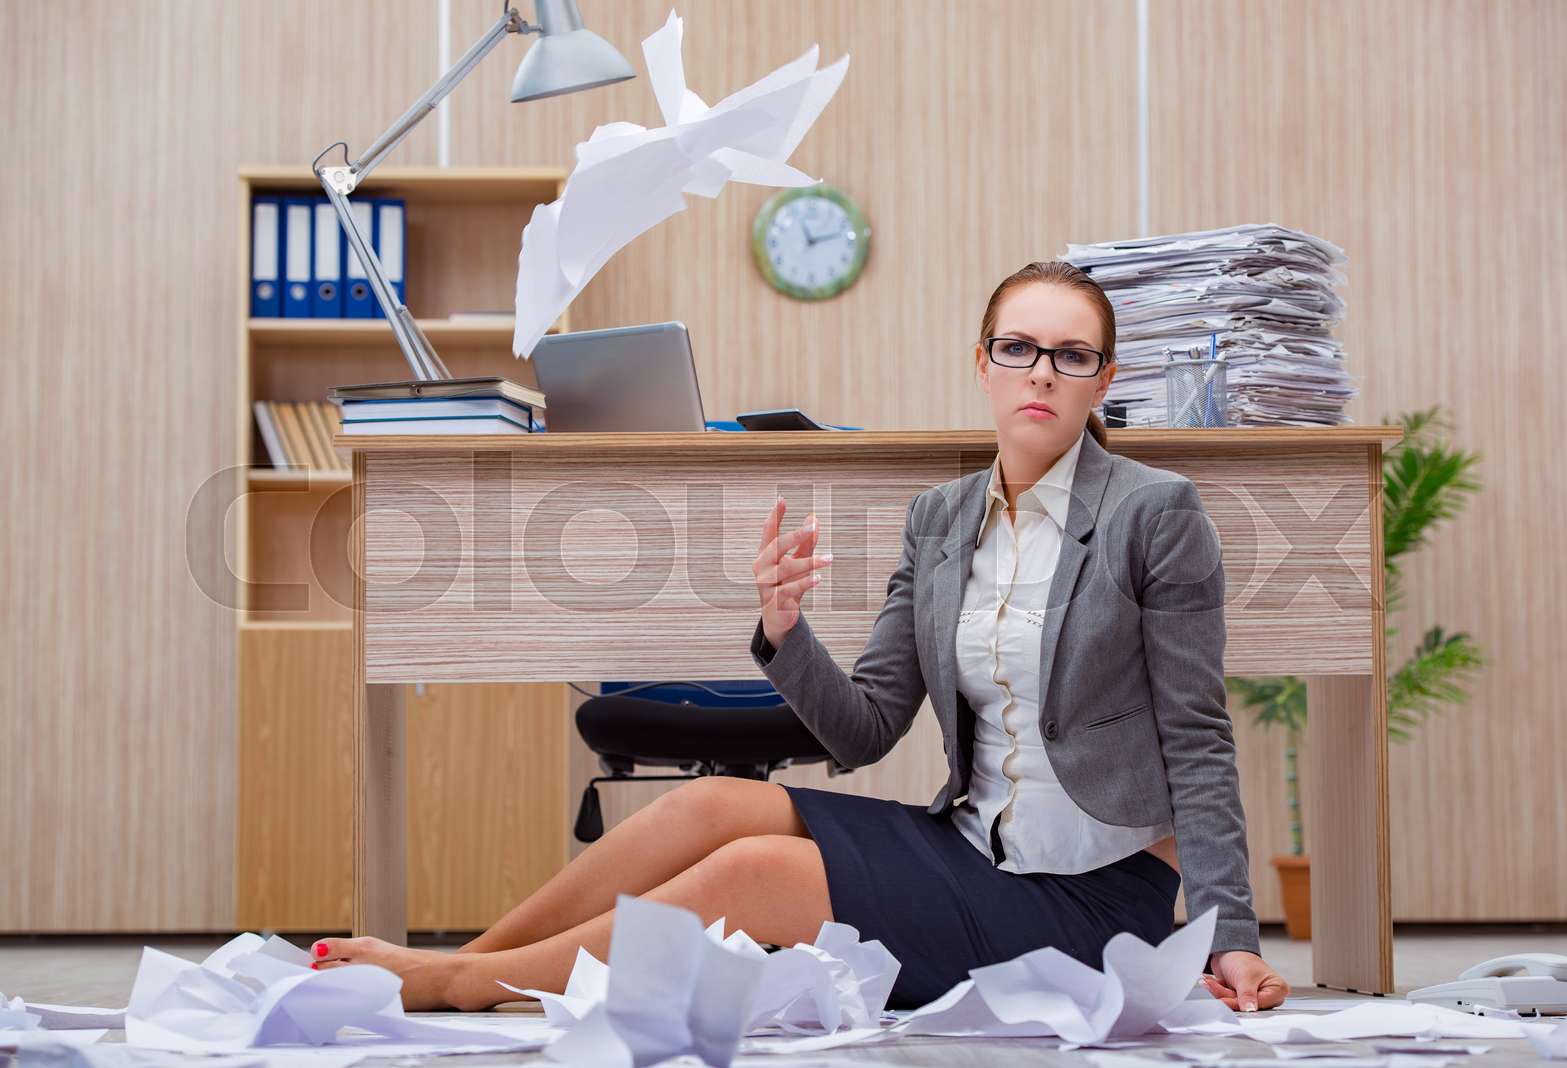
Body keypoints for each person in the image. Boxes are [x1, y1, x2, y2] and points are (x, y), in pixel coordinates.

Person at [306, 260, 1290, 1016]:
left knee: (754, 876)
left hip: (1093, 898)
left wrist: (1228, 936)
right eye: (1018, 348)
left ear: (1101, 379)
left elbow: (1197, 736)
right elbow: (865, 732)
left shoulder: (1155, 514)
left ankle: (461, 989)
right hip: (971, 845)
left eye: (1071, 356)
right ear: (981, 361)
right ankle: (469, 959)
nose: (1042, 373)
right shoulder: (942, 520)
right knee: (711, 809)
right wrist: (786, 630)